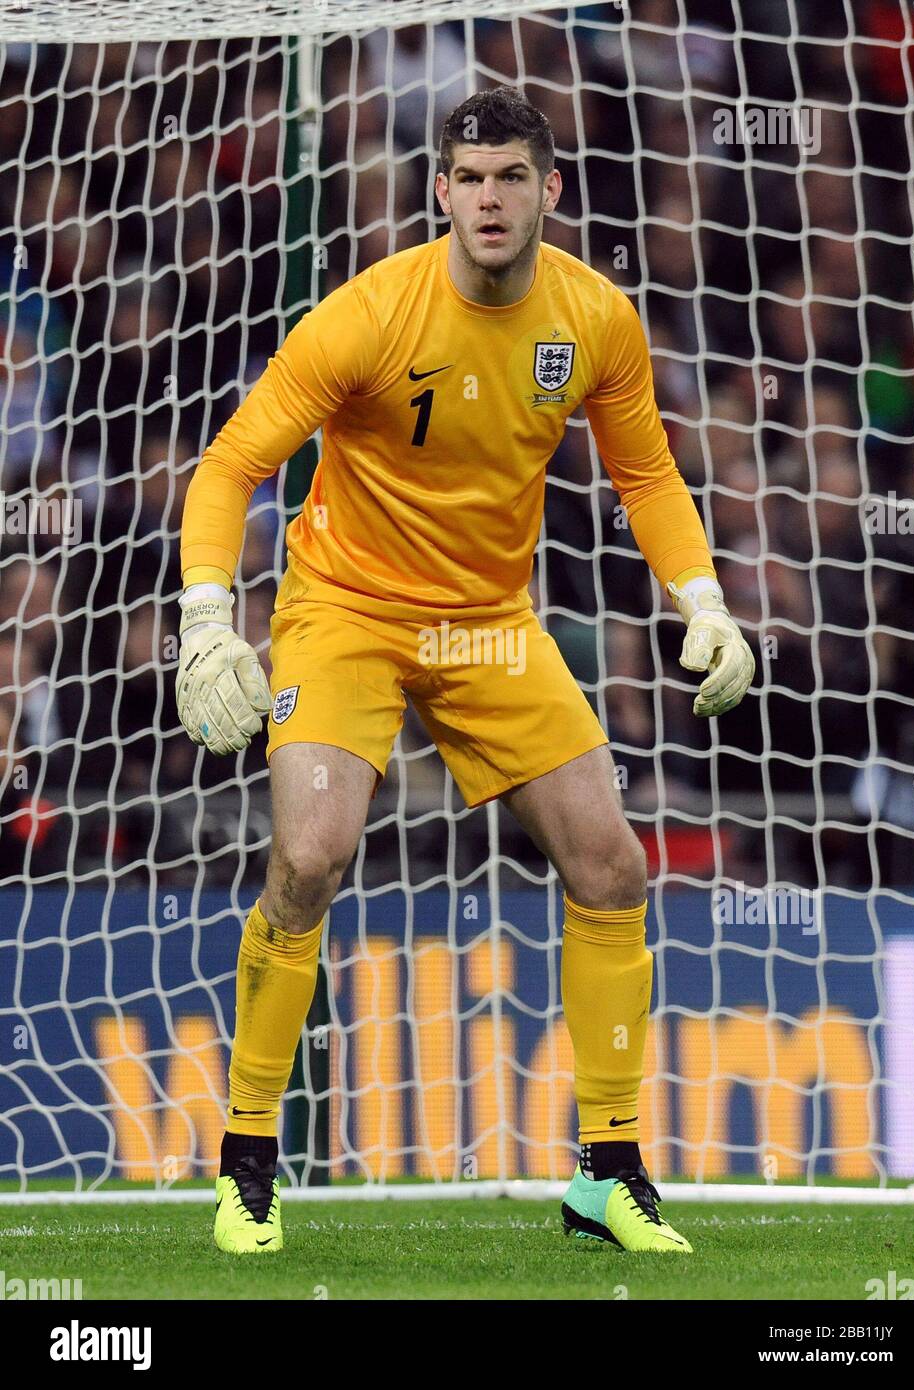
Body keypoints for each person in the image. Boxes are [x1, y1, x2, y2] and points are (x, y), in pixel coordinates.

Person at [175, 86, 754, 1256]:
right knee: (307, 855)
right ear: (440, 194)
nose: (487, 199)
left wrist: (704, 600)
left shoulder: (594, 319)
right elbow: (232, 463)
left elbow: (645, 477)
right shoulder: (368, 317)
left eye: (509, 178)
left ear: (550, 190)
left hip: (489, 621)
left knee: (611, 864)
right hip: (346, 611)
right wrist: (204, 617)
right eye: (467, 179)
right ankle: (245, 1162)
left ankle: (609, 1175)